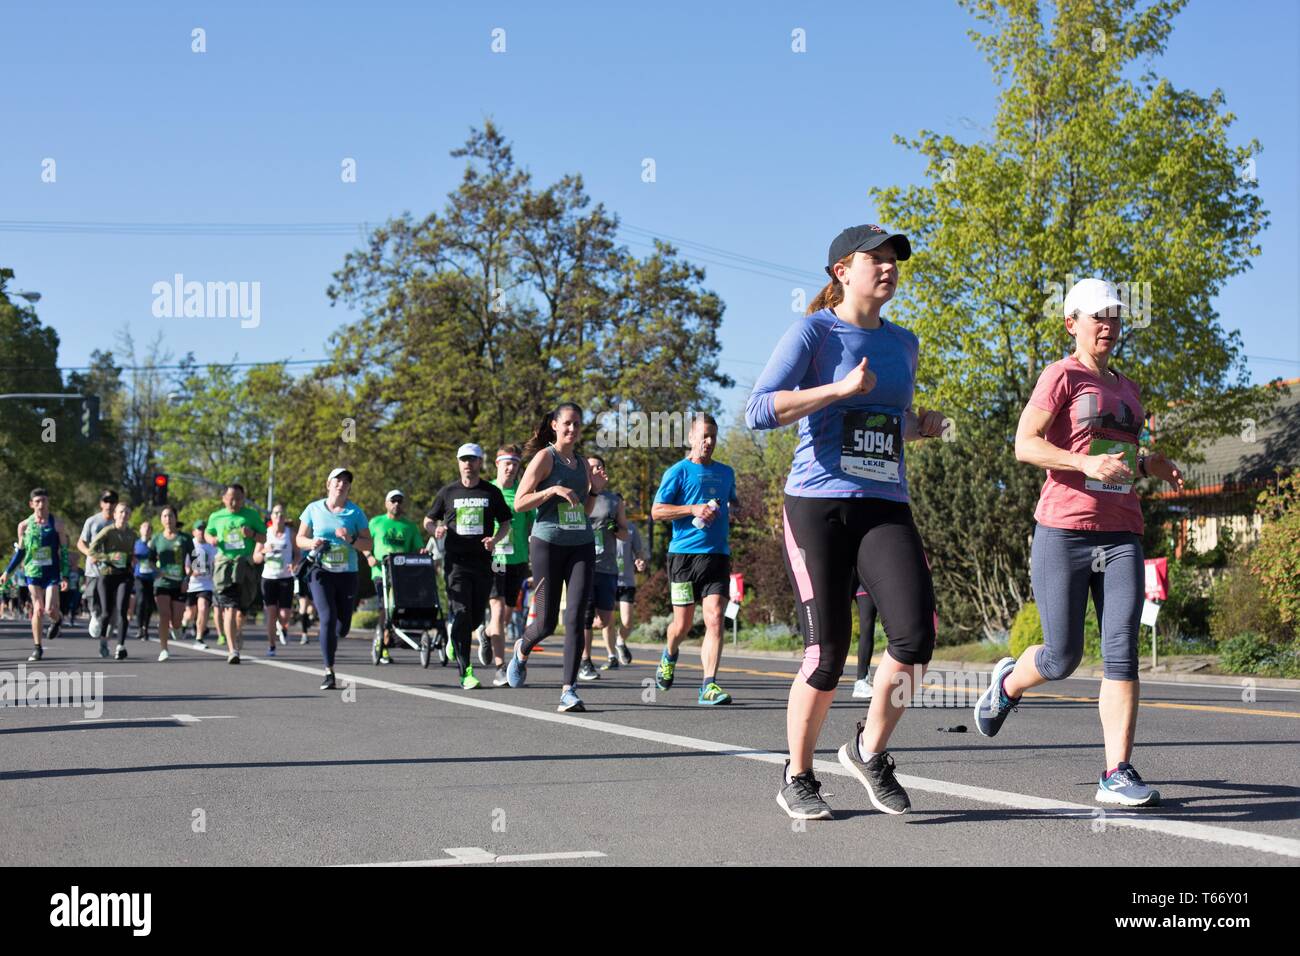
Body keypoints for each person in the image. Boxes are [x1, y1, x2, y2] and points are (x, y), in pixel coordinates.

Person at [746, 224, 948, 819]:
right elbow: (759, 410)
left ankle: (867, 750)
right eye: (876, 259)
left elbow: (890, 422)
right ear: (842, 271)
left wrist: (920, 426)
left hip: (885, 502)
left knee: (915, 636)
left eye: (894, 260)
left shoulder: (904, 343)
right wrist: (835, 389)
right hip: (818, 502)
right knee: (827, 651)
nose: (888, 268)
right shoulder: (813, 330)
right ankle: (798, 774)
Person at [974, 277, 1185, 808]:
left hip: (1122, 532)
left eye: (1115, 316)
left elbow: (1121, 456)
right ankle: (1008, 684)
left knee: (1122, 651)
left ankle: (1116, 771)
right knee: (1063, 656)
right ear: (1072, 323)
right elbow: (1025, 444)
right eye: (1098, 316)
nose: (1109, 325)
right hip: (1064, 530)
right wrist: (1083, 462)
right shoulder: (1060, 376)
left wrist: (1149, 463)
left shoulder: (1129, 388)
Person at [505, 404, 597, 713]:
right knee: (545, 623)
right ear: (555, 426)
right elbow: (519, 503)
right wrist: (553, 489)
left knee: (575, 618)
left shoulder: (582, 463)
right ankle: (522, 648)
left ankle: (568, 690)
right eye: (567, 424)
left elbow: (582, 511)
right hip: (547, 544)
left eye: (577, 425)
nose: (572, 429)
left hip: (582, 544)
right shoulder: (545, 458)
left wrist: (594, 492)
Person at [650, 413, 739, 705]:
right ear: (691, 437)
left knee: (715, 618)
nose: (709, 442)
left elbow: (732, 501)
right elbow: (657, 511)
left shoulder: (726, 472)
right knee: (682, 625)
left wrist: (735, 510)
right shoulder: (677, 472)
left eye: (713, 436)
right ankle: (669, 654)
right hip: (684, 557)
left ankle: (708, 685)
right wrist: (692, 510)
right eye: (703, 436)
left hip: (717, 555)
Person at [424, 445, 513, 690]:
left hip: (483, 564)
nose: (468, 464)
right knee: (461, 613)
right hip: (456, 563)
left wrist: (495, 539)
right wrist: (436, 530)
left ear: (480, 463)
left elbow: (506, 522)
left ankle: (456, 637)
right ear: (458, 463)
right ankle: (467, 673)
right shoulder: (447, 492)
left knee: (474, 619)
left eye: (472, 459)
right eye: (463, 460)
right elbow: (428, 520)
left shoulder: (491, 492)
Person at [297, 468, 371, 690]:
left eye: (346, 482)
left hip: (347, 573)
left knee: (343, 627)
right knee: (327, 618)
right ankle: (329, 671)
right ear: (328, 484)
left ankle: (333, 638)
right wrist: (312, 543)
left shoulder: (355, 513)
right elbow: (299, 538)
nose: (342, 484)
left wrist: (350, 538)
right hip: (320, 571)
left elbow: (368, 544)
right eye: (338, 480)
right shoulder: (313, 508)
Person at [484, 445, 534, 687]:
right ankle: (500, 667)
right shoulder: (488, 491)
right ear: (497, 464)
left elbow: (534, 527)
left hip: (518, 561)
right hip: (494, 561)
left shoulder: (523, 492)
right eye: (507, 463)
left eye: (515, 463)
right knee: (497, 610)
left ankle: (485, 634)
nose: (511, 467)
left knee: (505, 616)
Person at [1, 488, 70, 662]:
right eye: (37, 501)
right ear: (31, 504)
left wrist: (66, 575)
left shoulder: (57, 524)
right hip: (32, 572)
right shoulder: (24, 526)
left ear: (48, 502)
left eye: (44, 501)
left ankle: (57, 619)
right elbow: (20, 553)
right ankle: (37, 648)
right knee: (38, 609)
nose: (41, 504)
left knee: (50, 609)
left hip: (52, 572)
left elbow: (64, 552)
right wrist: (7, 572)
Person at [578, 454, 628, 681]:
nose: (596, 469)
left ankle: (589, 655)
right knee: (585, 617)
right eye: (591, 467)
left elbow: (625, 533)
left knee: (606, 619)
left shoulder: (614, 500)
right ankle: (585, 661)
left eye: (599, 466)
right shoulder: (578, 494)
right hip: (583, 563)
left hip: (607, 566)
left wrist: (616, 527)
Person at [205, 484, 266, 664]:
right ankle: (232, 650)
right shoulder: (216, 516)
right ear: (224, 499)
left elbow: (264, 537)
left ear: (244, 498)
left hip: (244, 566)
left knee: (242, 609)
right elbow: (208, 533)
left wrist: (252, 534)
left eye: (239, 498)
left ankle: (238, 631)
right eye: (231, 498)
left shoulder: (251, 515)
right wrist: (213, 539)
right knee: (229, 607)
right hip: (224, 566)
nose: (235, 501)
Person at [364, 490, 424, 664]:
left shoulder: (410, 527)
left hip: (402, 573)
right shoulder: (376, 523)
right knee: (385, 607)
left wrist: (423, 551)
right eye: (393, 501)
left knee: (396, 608)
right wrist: (368, 556)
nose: (396, 504)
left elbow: (418, 547)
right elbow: (365, 542)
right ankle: (381, 643)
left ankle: (391, 637)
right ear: (386, 503)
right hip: (380, 572)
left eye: (400, 501)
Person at [87, 501, 139, 660]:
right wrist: (108, 557)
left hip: (124, 575)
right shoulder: (108, 531)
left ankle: (120, 646)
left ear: (129, 516)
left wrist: (132, 559)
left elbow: (131, 553)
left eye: (127, 513)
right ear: (115, 514)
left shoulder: (132, 534)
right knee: (106, 613)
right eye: (121, 512)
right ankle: (103, 642)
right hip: (107, 575)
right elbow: (91, 550)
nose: (124, 515)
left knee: (122, 610)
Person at [600, 518, 647, 670]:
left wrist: (640, 561)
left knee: (627, 622)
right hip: (606, 578)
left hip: (626, 581)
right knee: (608, 622)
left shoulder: (631, 528)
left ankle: (620, 641)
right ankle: (611, 656)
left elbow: (639, 552)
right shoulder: (601, 526)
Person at [253, 502, 298, 658]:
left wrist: (295, 563)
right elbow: (256, 558)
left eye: (281, 514)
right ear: (271, 517)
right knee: (271, 613)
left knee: (285, 614)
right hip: (269, 578)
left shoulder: (290, 534)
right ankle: (272, 646)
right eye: (276, 513)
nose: (279, 516)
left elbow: (298, 554)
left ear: (285, 518)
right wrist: (265, 551)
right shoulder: (264, 534)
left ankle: (283, 627)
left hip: (286, 577)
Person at [150, 505, 192, 661]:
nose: (168, 519)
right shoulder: (157, 539)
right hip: (161, 584)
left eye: (171, 516)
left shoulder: (185, 539)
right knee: (164, 616)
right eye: (165, 516)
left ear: (176, 518)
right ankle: (164, 649)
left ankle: (177, 627)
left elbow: (196, 560)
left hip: (179, 584)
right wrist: (156, 569)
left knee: (176, 620)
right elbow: (149, 559)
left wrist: (187, 579)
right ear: (161, 519)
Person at [76, 489, 118, 640]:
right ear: (101, 503)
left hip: (113, 570)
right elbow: (80, 543)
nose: (109, 504)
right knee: (93, 598)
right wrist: (90, 553)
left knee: (111, 607)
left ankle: (106, 638)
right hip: (94, 569)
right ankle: (94, 614)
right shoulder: (92, 521)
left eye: (112, 501)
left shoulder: (119, 522)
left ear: (116, 504)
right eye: (106, 501)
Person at [185, 521, 217, 647]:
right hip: (191, 584)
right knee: (190, 613)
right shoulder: (190, 544)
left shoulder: (212, 546)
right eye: (199, 529)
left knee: (203, 608)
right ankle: (183, 624)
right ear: (193, 532)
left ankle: (199, 638)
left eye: (204, 529)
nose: (202, 532)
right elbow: (186, 566)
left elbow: (217, 563)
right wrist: (192, 573)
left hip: (206, 584)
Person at [131, 520, 157, 641]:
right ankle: (139, 627)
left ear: (151, 531)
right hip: (139, 576)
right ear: (140, 530)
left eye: (149, 528)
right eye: (144, 527)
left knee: (150, 603)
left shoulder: (154, 544)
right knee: (141, 601)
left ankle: (146, 627)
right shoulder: (136, 544)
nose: (146, 529)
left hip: (151, 577)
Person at [851, 575, 877, 700]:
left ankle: (861, 681)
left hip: (863, 580)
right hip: (842, 576)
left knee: (867, 627)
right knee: (835, 626)